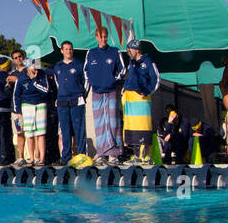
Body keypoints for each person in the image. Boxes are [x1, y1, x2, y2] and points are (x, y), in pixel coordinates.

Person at [84, 28, 125, 163]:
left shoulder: (114, 52)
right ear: (96, 37)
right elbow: (86, 71)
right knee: (99, 123)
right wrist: (93, 83)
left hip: (111, 91)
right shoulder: (91, 53)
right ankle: (101, 152)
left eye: (105, 37)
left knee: (113, 122)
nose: (103, 39)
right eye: (101, 37)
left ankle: (114, 153)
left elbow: (123, 69)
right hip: (97, 92)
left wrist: (113, 80)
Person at [122, 39, 160, 164]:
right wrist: (125, 86)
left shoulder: (148, 62)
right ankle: (136, 156)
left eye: (129, 50)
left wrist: (147, 91)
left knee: (144, 128)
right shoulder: (131, 62)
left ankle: (147, 156)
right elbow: (130, 77)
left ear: (136, 50)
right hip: (130, 99)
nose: (128, 52)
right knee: (132, 129)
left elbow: (156, 79)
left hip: (142, 99)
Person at [52, 41, 87, 163]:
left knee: (79, 130)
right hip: (62, 101)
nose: (68, 51)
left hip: (77, 100)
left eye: (70, 49)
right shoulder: (57, 66)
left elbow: (85, 82)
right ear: (62, 51)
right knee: (65, 131)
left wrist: (82, 95)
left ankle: (82, 156)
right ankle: (65, 157)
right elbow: (57, 83)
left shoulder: (79, 64)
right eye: (66, 49)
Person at [15, 57, 52, 166]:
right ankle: (31, 158)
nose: (34, 68)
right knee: (29, 133)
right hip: (27, 106)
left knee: (41, 133)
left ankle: (41, 158)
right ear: (27, 67)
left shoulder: (42, 74)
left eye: (35, 65)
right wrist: (18, 111)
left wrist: (34, 80)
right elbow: (16, 95)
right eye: (31, 66)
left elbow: (45, 91)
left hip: (40, 104)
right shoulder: (21, 77)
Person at [5, 50, 28, 163]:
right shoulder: (11, 74)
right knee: (19, 133)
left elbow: (31, 85)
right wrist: (8, 85)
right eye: (15, 58)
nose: (18, 59)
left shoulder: (28, 71)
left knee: (31, 133)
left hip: (28, 106)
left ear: (23, 57)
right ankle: (21, 157)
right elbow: (7, 92)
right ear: (13, 60)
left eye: (20, 57)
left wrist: (17, 80)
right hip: (15, 108)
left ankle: (33, 157)